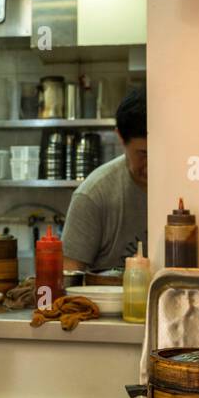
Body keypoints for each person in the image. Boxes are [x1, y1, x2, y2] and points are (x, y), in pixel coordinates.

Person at [61, 88, 147, 273]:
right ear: (121, 138)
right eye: (143, 153)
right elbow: (68, 274)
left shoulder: (187, 185)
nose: (151, 164)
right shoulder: (93, 195)